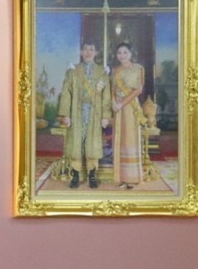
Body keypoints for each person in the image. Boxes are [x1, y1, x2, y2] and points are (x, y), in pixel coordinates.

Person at [55, 40, 109, 190]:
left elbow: (106, 96)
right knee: (76, 143)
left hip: (94, 113)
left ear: (96, 53)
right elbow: (66, 93)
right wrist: (66, 114)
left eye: (91, 49)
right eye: (85, 49)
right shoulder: (73, 71)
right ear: (81, 52)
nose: (88, 52)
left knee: (92, 143)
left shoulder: (102, 72)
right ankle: (76, 175)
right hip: (77, 112)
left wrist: (105, 116)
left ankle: (92, 174)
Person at [109, 41, 146, 189]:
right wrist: (113, 103)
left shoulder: (138, 68)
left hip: (130, 107)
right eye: (119, 53)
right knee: (119, 139)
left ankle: (132, 178)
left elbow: (138, 90)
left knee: (130, 139)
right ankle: (121, 177)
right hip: (118, 108)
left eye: (125, 52)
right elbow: (112, 89)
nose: (122, 55)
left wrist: (121, 103)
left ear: (131, 54)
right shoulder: (115, 70)